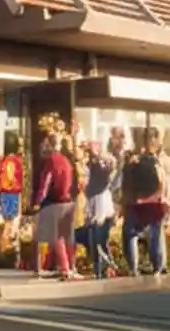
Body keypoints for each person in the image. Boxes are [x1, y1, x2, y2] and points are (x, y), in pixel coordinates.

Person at [31, 117, 79, 280]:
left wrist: (38, 201)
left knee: (55, 236)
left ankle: (63, 267)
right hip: (69, 200)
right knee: (67, 235)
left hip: (55, 201)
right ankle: (71, 266)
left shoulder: (51, 161)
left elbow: (46, 182)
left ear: (50, 145)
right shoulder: (66, 161)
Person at [121, 127, 169, 276]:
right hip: (148, 202)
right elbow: (162, 182)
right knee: (153, 234)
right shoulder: (151, 160)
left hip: (143, 202)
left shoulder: (142, 160)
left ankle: (141, 267)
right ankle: (155, 266)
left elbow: (162, 183)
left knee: (136, 233)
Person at [80, 140, 117, 279]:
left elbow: (111, 167)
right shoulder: (88, 165)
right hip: (92, 203)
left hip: (101, 205)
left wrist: (99, 156)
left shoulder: (103, 166)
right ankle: (101, 268)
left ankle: (107, 267)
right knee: (94, 239)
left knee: (98, 239)